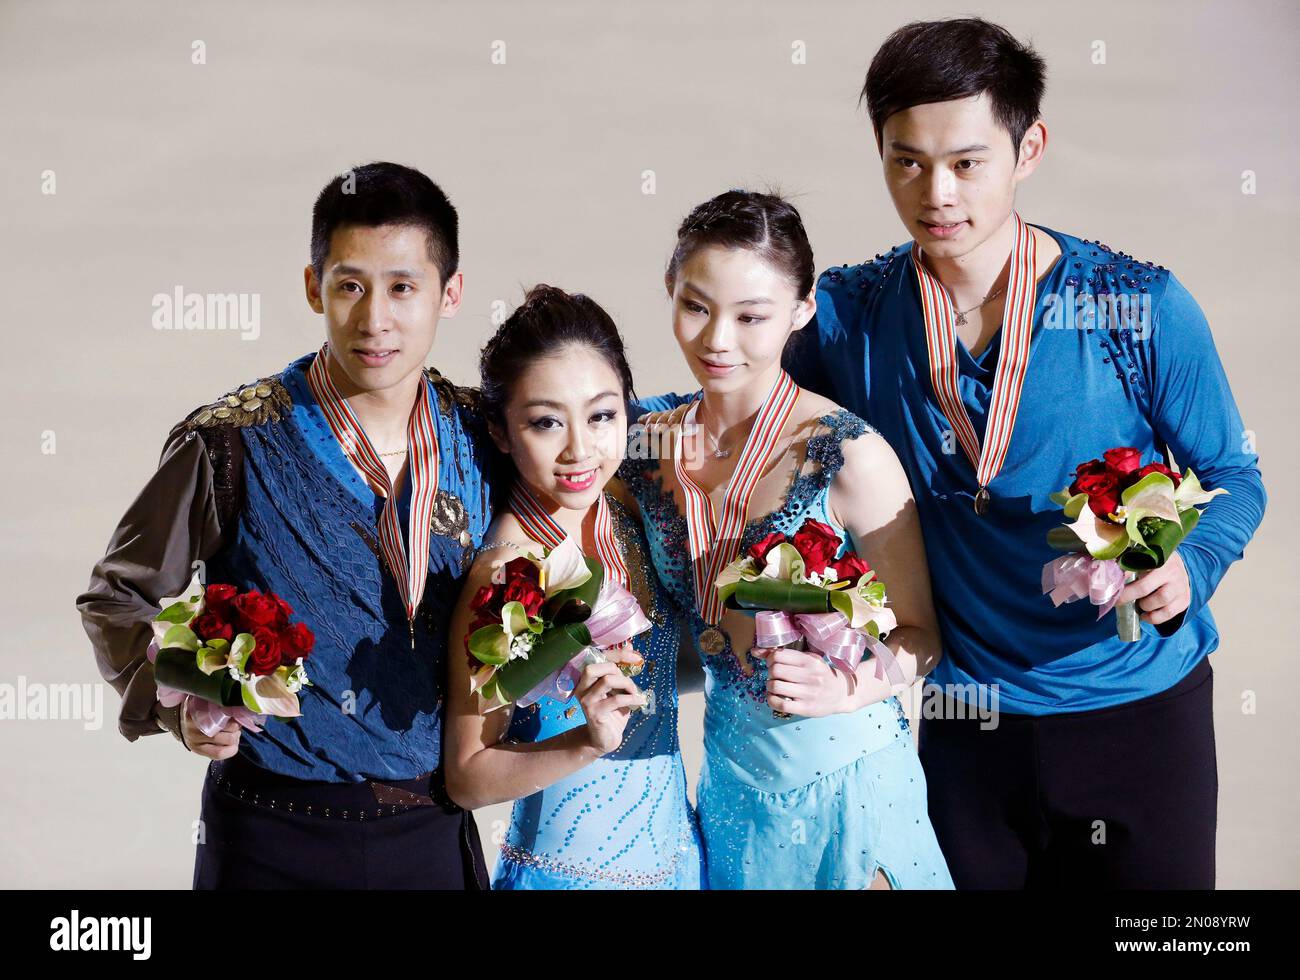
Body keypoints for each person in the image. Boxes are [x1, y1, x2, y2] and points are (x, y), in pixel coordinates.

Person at [782, 18, 1268, 888]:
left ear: (1028, 146)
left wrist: (1193, 562)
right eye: (907, 161)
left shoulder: (1137, 307)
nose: (937, 192)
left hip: (1141, 713)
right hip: (967, 724)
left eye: (968, 162)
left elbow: (1235, 477)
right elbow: (750, 418)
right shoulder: (849, 317)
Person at [76, 162, 500, 889]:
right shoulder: (230, 442)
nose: (375, 319)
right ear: (314, 288)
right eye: (350, 286)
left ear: (449, 293)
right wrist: (184, 710)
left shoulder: (487, 436)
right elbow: (118, 597)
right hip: (268, 832)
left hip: (430, 825)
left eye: (403, 287)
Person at [625, 190, 953, 889]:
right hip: (731, 790)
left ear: (802, 310)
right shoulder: (644, 450)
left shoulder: (847, 452)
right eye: (696, 306)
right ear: (669, 292)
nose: (718, 340)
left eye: (752, 317)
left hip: (850, 786)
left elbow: (923, 637)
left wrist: (848, 685)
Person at [444, 284, 704, 889]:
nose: (580, 449)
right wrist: (587, 741)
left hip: (678, 859)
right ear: (503, 432)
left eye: (602, 415)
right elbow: (468, 775)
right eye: (544, 422)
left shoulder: (624, 510)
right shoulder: (507, 578)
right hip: (568, 872)